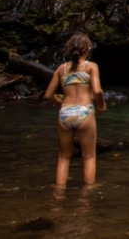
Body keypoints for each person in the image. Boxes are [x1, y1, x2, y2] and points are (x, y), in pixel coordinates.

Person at [43, 33, 106, 185]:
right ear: (88, 49)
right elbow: (97, 91)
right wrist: (101, 105)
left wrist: (60, 102)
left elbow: (48, 95)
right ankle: (88, 193)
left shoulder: (61, 69)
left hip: (65, 113)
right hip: (85, 112)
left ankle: (59, 192)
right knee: (89, 157)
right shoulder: (91, 66)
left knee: (63, 157)